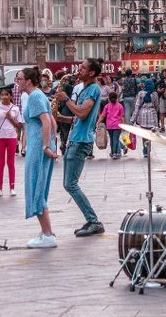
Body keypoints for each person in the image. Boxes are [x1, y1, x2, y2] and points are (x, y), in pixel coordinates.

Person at [54, 58, 104, 237]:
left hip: (81, 141)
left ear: (91, 72)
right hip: (75, 138)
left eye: (83, 68)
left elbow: (82, 113)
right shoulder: (84, 89)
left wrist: (66, 99)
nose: (78, 70)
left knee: (70, 184)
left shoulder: (93, 89)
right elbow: (78, 117)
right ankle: (91, 220)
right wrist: (61, 118)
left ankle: (93, 220)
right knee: (69, 184)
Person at [20, 67, 60, 248]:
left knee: (36, 186)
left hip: (38, 147)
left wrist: (44, 145)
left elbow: (46, 121)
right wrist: (51, 142)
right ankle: (47, 232)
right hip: (40, 145)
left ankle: (47, 234)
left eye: (19, 78)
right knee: (39, 187)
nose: (17, 81)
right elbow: (52, 122)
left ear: (28, 81)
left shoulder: (35, 96)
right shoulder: (38, 96)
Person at [0, 88, 22, 196]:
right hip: (0, 138)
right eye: (2, 95)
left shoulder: (15, 108)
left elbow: (19, 125)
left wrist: (10, 117)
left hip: (11, 137)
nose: (4, 97)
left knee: (11, 163)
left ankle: (12, 187)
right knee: (0, 163)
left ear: (11, 96)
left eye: (6, 94)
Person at [131, 79, 159, 158]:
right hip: (152, 115)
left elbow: (137, 107)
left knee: (144, 134)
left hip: (142, 116)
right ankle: (148, 148)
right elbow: (157, 106)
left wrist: (133, 119)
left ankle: (145, 149)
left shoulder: (140, 93)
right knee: (150, 134)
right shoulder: (155, 94)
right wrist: (154, 112)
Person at [98, 91, 125, 159]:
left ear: (109, 98)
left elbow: (103, 116)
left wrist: (98, 122)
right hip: (118, 125)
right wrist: (124, 125)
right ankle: (115, 153)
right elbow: (122, 117)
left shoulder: (107, 106)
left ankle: (112, 152)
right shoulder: (120, 106)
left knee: (112, 139)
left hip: (109, 125)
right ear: (117, 98)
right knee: (116, 139)